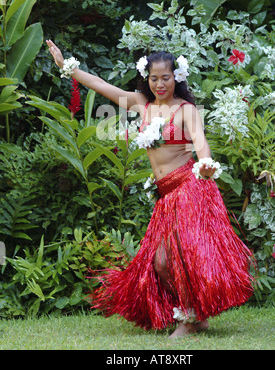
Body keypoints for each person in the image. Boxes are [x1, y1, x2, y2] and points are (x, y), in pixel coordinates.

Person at [47, 41, 254, 338]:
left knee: (173, 258)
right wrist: (66, 66)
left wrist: (206, 164)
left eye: (165, 78)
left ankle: (189, 318)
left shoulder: (186, 110)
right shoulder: (141, 104)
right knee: (160, 263)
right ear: (147, 78)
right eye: (154, 78)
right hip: (165, 195)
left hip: (188, 189)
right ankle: (196, 314)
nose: (159, 84)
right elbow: (101, 85)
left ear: (177, 78)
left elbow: (201, 144)